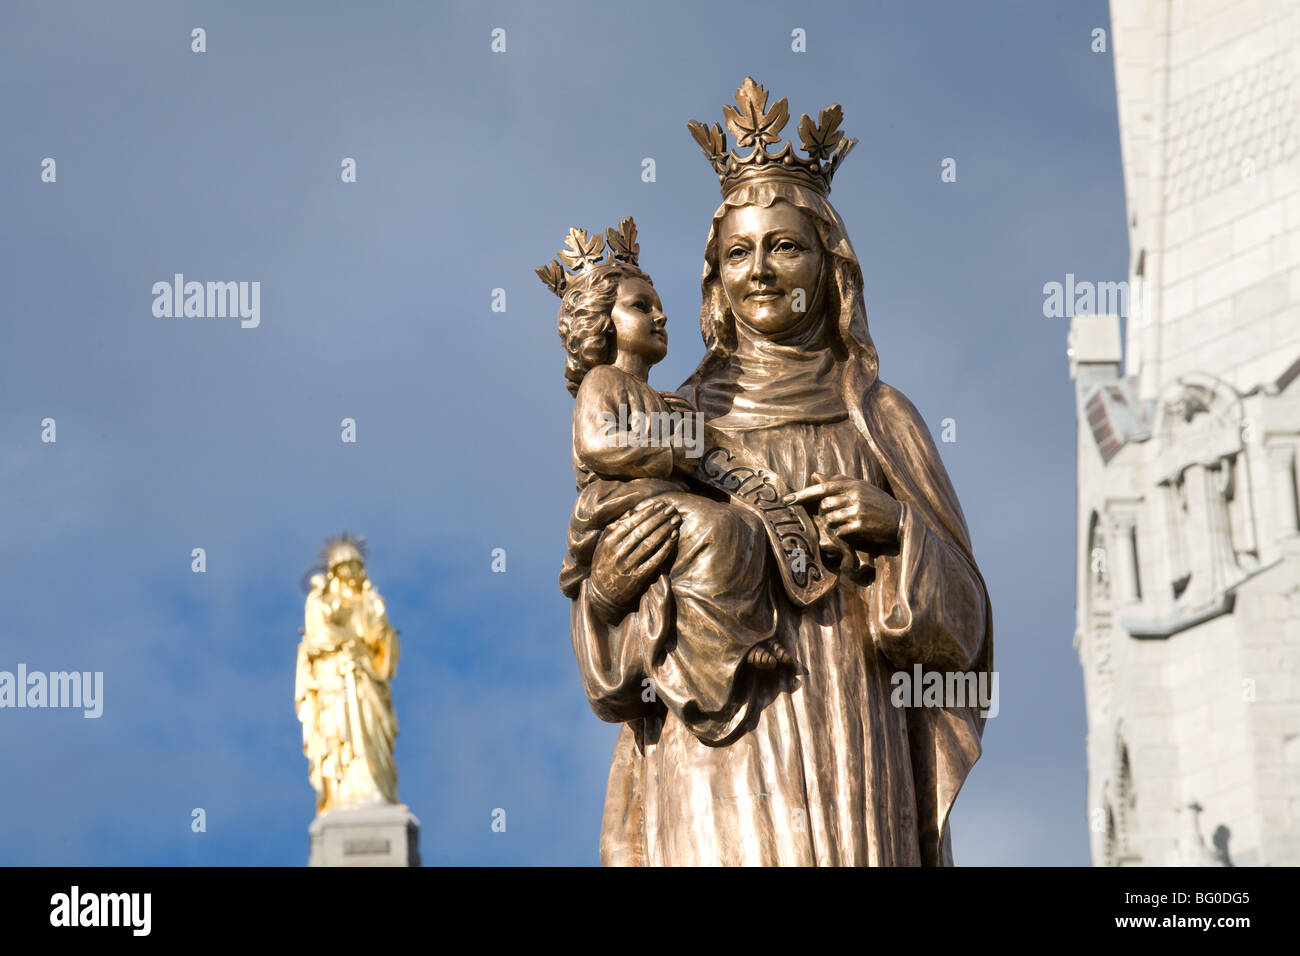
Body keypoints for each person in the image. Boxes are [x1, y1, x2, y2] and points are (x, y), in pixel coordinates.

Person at [561, 80, 994, 866]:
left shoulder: (879, 414)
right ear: (714, 276)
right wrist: (607, 594)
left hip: (854, 731)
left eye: (784, 246)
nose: (759, 270)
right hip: (715, 741)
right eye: (738, 252)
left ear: (829, 267)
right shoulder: (676, 418)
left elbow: (964, 632)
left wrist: (901, 531)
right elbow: (608, 671)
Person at [295, 534, 400, 814]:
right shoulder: (320, 602)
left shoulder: (367, 601)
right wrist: (345, 643)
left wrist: (381, 623)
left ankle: (375, 789)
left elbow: (380, 643)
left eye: (355, 566)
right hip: (336, 681)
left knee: (370, 733)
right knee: (339, 735)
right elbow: (318, 637)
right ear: (335, 571)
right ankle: (345, 793)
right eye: (346, 567)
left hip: (365, 678)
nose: (352, 572)